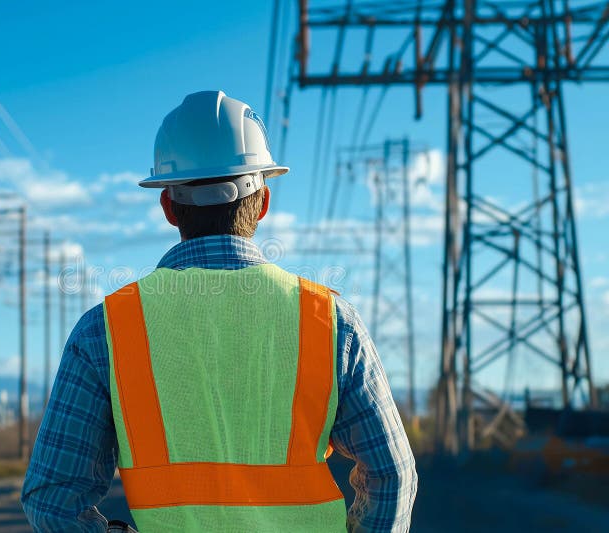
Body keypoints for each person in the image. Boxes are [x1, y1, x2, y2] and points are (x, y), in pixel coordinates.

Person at [21, 90, 417, 532]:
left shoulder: (105, 330)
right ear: (263, 202)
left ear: (169, 207)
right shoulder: (331, 322)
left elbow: (52, 499)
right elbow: (393, 473)